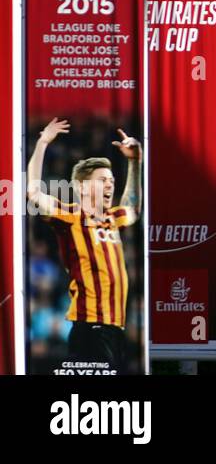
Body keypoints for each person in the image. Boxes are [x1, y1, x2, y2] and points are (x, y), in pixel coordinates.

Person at [27, 118, 142, 372]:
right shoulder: (70, 216)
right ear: (82, 186)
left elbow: (132, 208)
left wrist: (134, 162)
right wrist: (43, 142)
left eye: (111, 181)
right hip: (90, 327)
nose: (110, 185)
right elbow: (33, 194)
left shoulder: (113, 218)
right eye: (102, 180)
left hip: (116, 328)